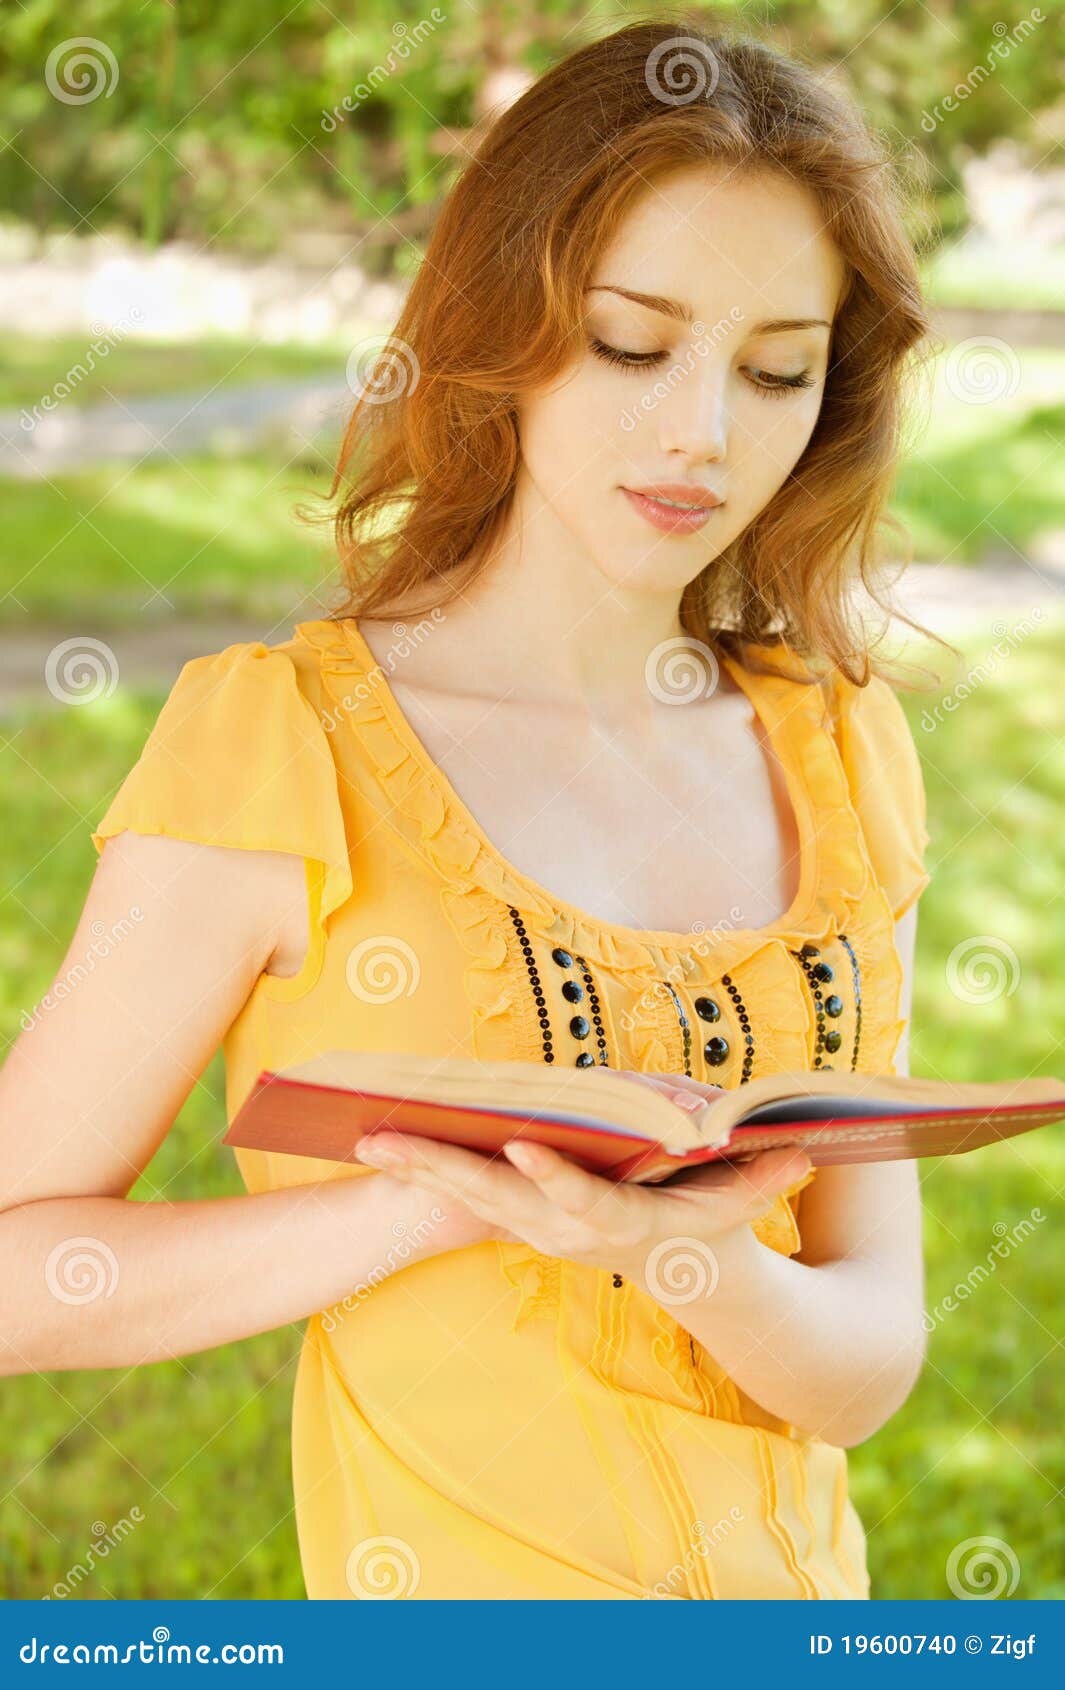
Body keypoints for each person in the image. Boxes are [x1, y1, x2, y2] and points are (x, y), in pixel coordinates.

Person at [0, 15, 948, 1599]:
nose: (703, 434)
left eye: (775, 369)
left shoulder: (840, 749)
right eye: (633, 344)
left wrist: (689, 1260)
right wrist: (438, 1207)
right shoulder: (278, 742)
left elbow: (866, 1362)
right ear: (500, 325)